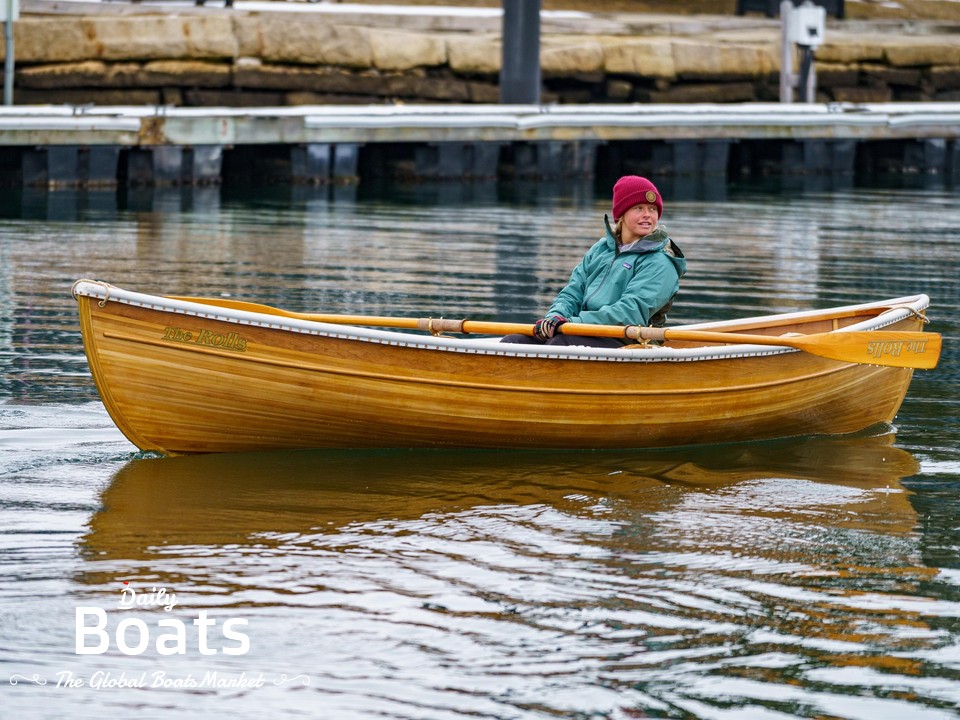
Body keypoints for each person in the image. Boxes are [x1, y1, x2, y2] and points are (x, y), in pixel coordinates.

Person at [501, 175, 686, 348]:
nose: (648, 215)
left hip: (632, 340)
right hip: (581, 330)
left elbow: (630, 312)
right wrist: (555, 317)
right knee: (513, 341)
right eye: (639, 208)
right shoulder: (600, 249)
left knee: (561, 343)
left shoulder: (661, 261)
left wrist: (573, 324)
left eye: (652, 209)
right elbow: (572, 293)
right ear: (621, 213)